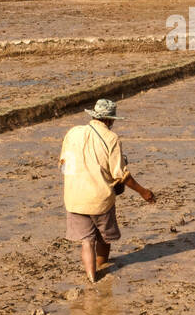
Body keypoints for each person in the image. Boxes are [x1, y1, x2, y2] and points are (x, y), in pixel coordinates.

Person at [59, 98, 155, 282]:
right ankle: (102, 265)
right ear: (110, 120)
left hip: (74, 198)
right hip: (100, 199)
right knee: (104, 238)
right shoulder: (111, 138)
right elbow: (121, 175)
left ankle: (92, 278)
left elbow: (64, 166)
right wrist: (143, 191)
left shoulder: (73, 133)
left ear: (94, 115)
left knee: (87, 241)